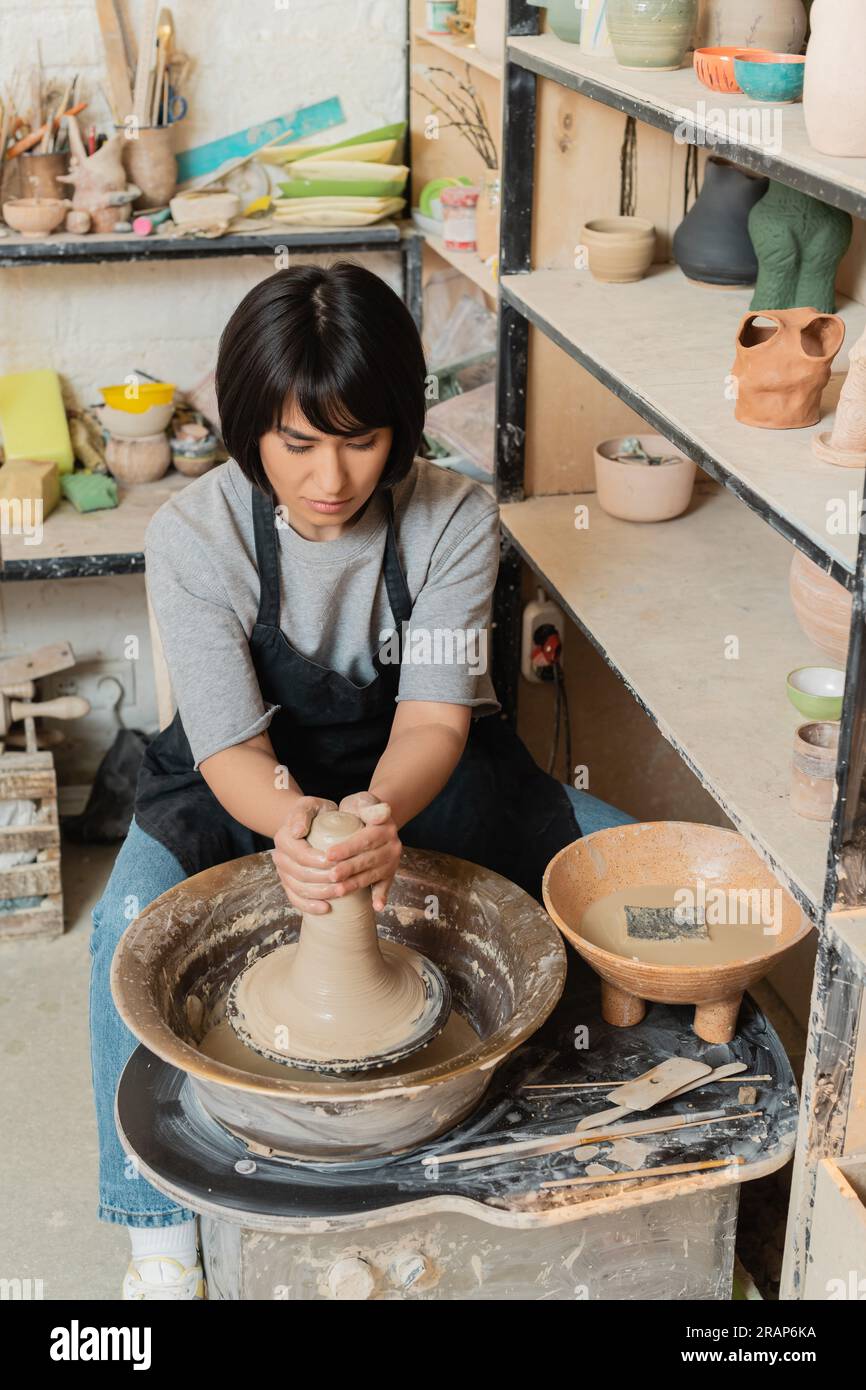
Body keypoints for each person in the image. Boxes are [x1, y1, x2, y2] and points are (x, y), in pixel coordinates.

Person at [89, 262, 627, 1300]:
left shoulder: (450, 517)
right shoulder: (192, 535)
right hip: (239, 773)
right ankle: (153, 1227)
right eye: (297, 442)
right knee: (123, 922)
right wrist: (298, 827)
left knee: (609, 867)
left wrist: (375, 821)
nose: (329, 475)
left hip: (419, 765)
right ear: (251, 426)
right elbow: (231, 747)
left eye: (360, 438)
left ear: (399, 428)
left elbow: (432, 715)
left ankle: (571, 1161)